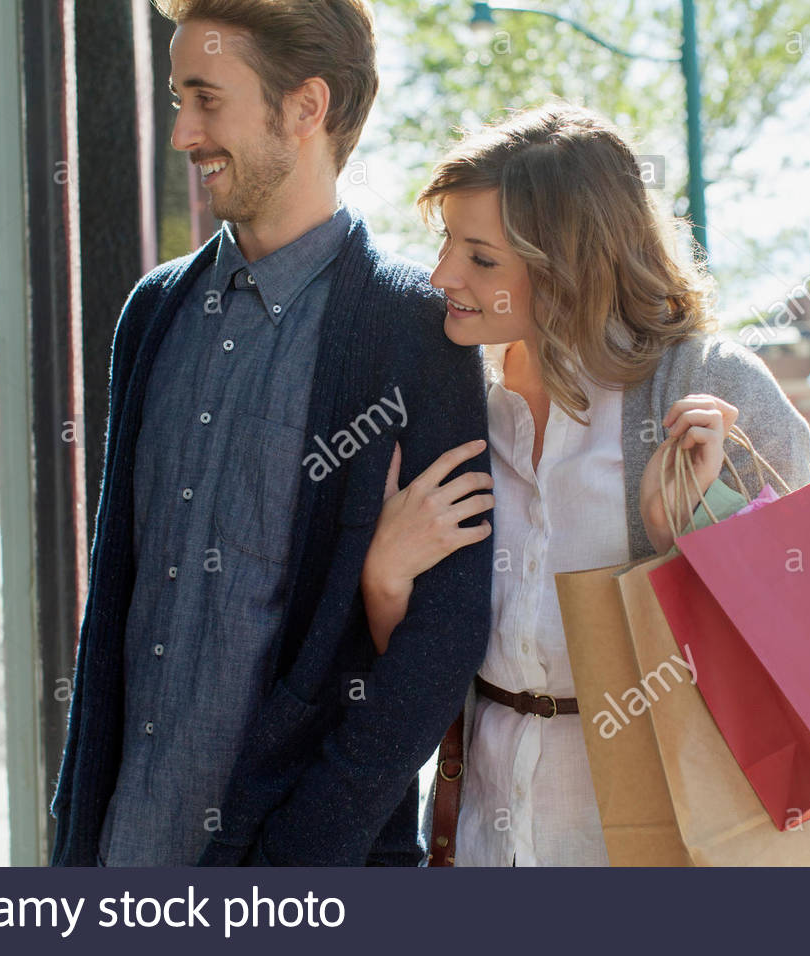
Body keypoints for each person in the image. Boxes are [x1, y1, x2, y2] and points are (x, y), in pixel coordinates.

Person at [50, 0, 492, 867]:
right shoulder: (153, 314)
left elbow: (441, 642)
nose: (184, 132)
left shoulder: (415, 331)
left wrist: (300, 859)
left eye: (208, 99)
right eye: (178, 97)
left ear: (306, 107)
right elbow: (116, 602)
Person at [360, 104, 810, 866]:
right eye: (447, 243)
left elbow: (805, 656)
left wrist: (686, 541)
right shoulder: (452, 402)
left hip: (666, 850)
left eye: (481, 257)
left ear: (566, 266)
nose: (442, 276)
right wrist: (384, 577)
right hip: (481, 843)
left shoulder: (708, 389)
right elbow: (415, 677)